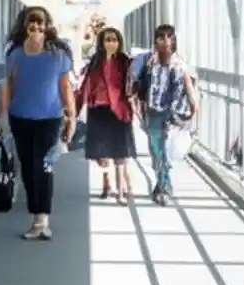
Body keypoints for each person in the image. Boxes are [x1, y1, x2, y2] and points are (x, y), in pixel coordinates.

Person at [0, 6, 76, 240]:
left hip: (50, 119)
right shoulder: (16, 54)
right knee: (28, 169)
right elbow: (8, 87)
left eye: (40, 22)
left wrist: (71, 116)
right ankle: (36, 216)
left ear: (47, 26)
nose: (36, 27)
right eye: (32, 22)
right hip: (20, 117)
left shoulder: (58, 56)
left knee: (43, 167)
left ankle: (42, 219)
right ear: (24, 25)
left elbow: (65, 87)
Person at [130, 24, 198, 205]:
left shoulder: (180, 65)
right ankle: (161, 183)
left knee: (165, 152)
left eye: (169, 36)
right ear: (155, 40)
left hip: (171, 114)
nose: (165, 40)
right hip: (153, 112)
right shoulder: (149, 62)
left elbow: (189, 89)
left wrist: (192, 110)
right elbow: (136, 83)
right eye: (161, 36)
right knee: (156, 153)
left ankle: (163, 187)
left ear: (174, 40)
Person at [75, 27, 137, 204]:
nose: (112, 43)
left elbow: (132, 84)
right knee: (100, 151)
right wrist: (77, 108)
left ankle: (121, 192)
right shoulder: (95, 62)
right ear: (102, 42)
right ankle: (106, 183)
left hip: (119, 109)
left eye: (115, 39)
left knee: (120, 151)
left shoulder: (125, 61)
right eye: (108, 39)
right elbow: (86, 85)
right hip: (99, 109)